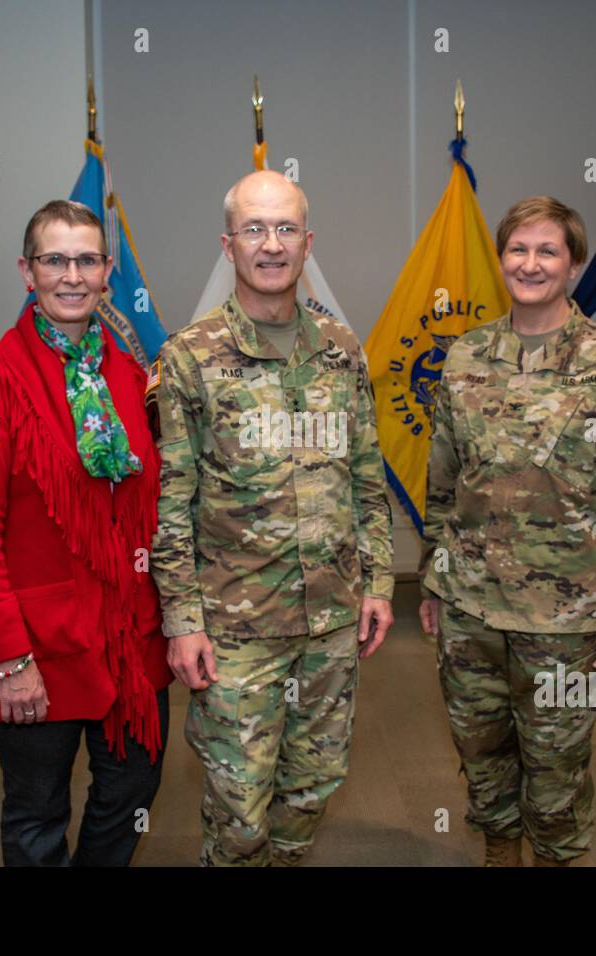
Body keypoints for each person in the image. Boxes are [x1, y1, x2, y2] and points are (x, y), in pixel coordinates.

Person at [418, 196, 596, 867]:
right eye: (518, 250)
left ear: (573, 264)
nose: (530, 264)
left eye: (547, 251)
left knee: (556, 774)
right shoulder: (467, 357)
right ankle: (500, 853)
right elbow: (444, 481)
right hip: (469, 608)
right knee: (482, 757)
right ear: (501, 258)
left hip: (568, 619)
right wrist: (432, 580)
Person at [150, 170, 395, 866]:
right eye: (254, 229)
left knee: (313, 789)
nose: (271, 244)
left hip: (330, 621)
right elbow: (173, 503)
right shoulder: (189, 358)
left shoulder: (342, 350)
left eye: (285, 228)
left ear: (307, 242)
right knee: (239, 808)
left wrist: (378, 584)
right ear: (228, 245)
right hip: (237, 629)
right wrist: (183, 622)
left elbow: (366, 478)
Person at [0, 200, 171, 866]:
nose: (71, 276)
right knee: (38, 814)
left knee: (133, 792)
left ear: (106, 272)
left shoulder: (131, 377)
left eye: (87, 260)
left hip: (129, 640)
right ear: (27, 271)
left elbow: (153, 507)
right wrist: (10, 661)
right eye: (54, 260)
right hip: (35, 649)